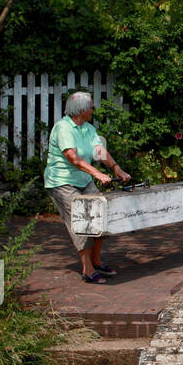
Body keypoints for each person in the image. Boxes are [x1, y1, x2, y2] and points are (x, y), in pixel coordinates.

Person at [43, 91, 131, 284]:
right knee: (82, 221)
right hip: (62, 182)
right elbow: (72, 158)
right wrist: (97, 174)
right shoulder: (63, 128)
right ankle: (87, 269)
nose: (93, 109)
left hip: (83, 180)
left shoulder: (88, 128)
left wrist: (117, 169)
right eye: (91, 106)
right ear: (81, 109)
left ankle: (96, 261)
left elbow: (100, 152)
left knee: (101, 216)